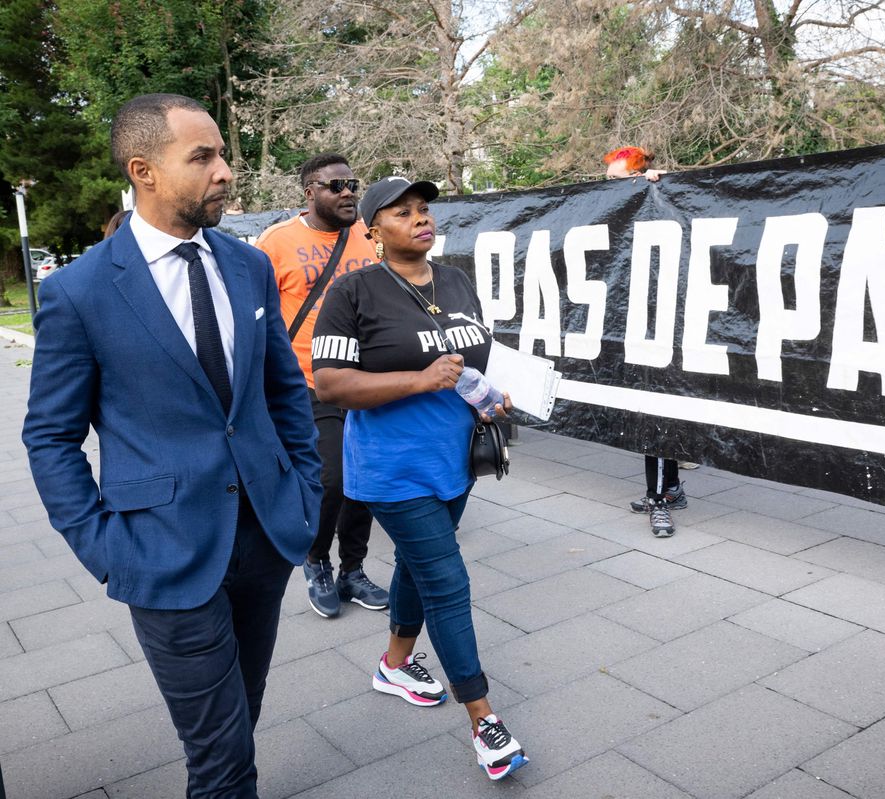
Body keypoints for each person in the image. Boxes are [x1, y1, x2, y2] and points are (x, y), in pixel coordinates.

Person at [22, 93, 322, 797]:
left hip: (266, 534)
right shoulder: (79, 291)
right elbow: (50, 435)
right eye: (203, 156)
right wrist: (103, 546)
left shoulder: (246, 267)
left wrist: (304, 490)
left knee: (241, 714)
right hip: (161, 550)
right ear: (143, 170)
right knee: (220, 759)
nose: (225, 171)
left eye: (222, 153)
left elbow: (283, 391)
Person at [312, 176, 528, 781]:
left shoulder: (455, 280)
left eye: (425, 210)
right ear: (373, 230)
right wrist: (421, 379)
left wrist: (489, 395)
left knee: (415, 565)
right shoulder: (352, 292)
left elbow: (471, 361)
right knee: (446, 579)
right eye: (402, 213)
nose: (419, 219)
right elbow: (329, 384)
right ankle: (484, 719)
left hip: (454, 461)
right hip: (392, 469)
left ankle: (395, 663)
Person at [257, 153, 388, 619]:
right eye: (335, 186)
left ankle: (353, 569)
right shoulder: (276, 242)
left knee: (365, 481)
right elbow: (259, 316)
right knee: (330, 479)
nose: (348, 192)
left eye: (352, 183)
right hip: (310, 382)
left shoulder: (369, 236)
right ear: (309, 192)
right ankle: (316, 561)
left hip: (368, 379)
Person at [604, 145, 693, 537]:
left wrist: (660, 183)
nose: (612, 188)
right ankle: (669, 489)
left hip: (662, 323)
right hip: (634, 319)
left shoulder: (657, 197)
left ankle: (660, 500)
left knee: (654, 417)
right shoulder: (617, 212)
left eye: (620, 180)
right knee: (651, 414)